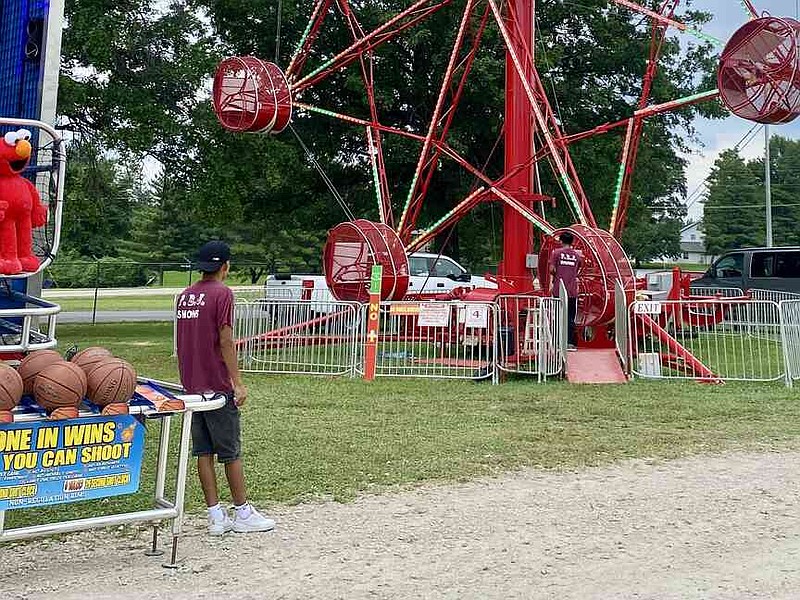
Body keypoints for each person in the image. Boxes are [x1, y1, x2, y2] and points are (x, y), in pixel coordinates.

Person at [176, 240, 275, 535]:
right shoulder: (223, 293)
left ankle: (215, 515)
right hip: (217, 385)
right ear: (226, 266)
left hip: (192, 387)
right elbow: (226, 340)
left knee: (203, 452)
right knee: (231, 452)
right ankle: (242, 510)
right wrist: (237, 383)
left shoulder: (185, 296)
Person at [548, 232, 584, 350]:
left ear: (561, 241)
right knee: (570, 317)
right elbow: (578, 270)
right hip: (572, 291)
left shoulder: (556, 253)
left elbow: (551, 269)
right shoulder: (577, 256)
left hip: (559, 290)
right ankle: (570, 343)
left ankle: (558, 342)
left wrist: (558, 274)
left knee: (558, 316)